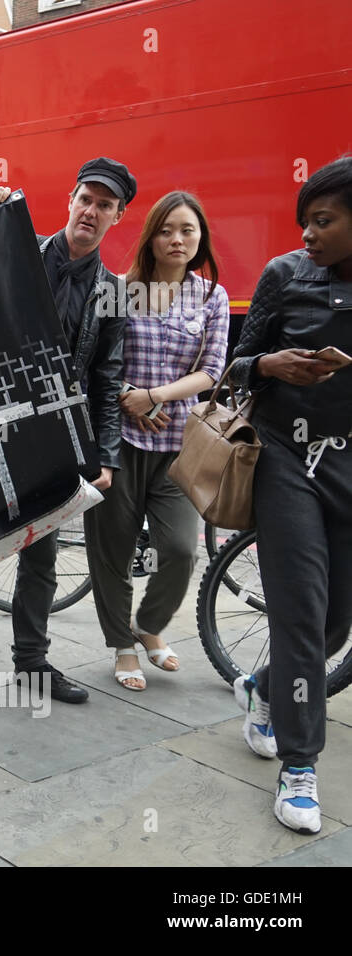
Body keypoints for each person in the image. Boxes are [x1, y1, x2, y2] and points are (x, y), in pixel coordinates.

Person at [0, 157, 135, 708]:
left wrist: (108, 456)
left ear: (118, 217)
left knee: (41, 558)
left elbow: (108, 375)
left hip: (58, 443)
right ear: (70, 199)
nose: (91, 211)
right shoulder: (16, 251)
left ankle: (32, 664)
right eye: (86, 199)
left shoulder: (113, 290)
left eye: (105, 205)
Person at [228, 156, 352, 835]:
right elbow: (233, 367)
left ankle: (262, 686)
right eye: (304, 219)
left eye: (324, 221)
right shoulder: (283, 276)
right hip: (286, 459)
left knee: (336, 624)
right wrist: (268, 364)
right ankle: (299, 767)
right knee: (303, 616)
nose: (307, 232)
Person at [86, 192, 230, 691]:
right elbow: (96, 363)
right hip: (119, 441)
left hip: (179, 447)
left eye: (187, 230)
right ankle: (122, 646)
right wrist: (130, 395)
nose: (177, 239)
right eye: (167, 229)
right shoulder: (121, 291)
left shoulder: (212, 296)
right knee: (113, 550)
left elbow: (212, 370)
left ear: (200, 238)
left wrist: (155, 396)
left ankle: (148, 625)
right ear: (152, 235)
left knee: (181, 550)